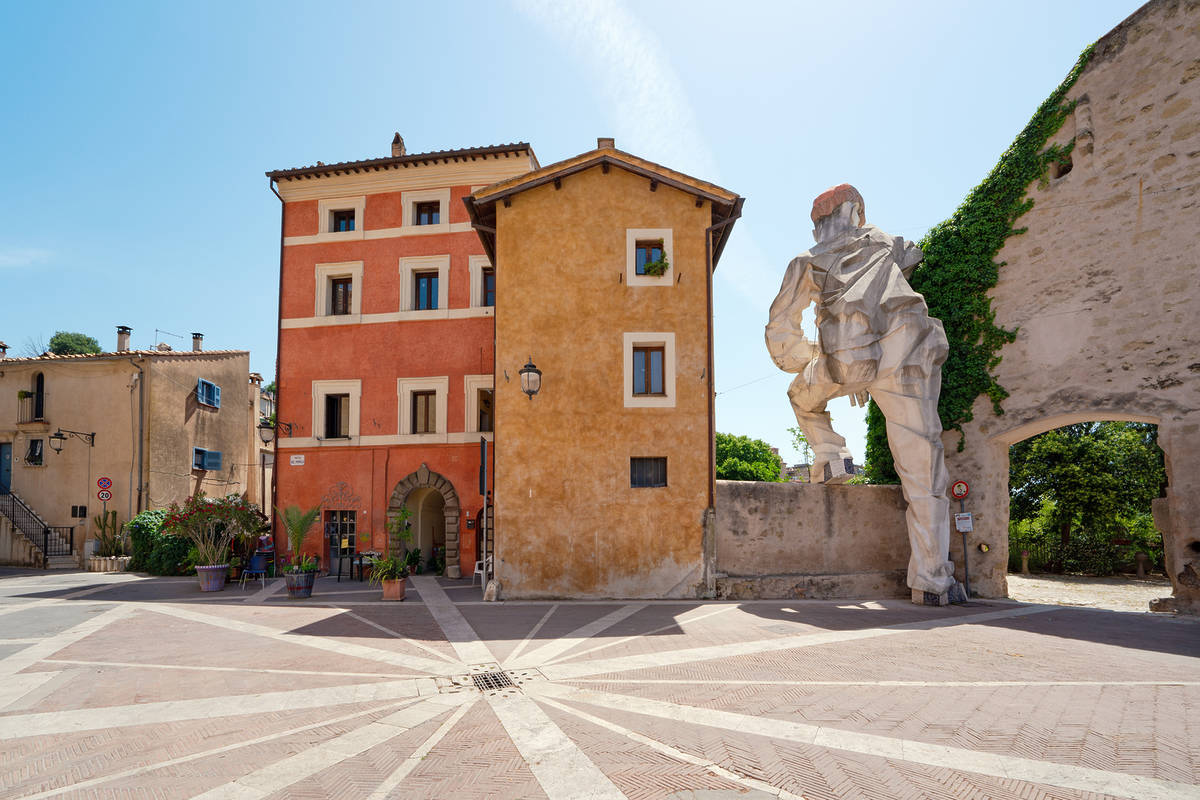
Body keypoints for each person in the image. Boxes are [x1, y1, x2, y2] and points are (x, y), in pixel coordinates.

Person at [765, 183, 956, 597]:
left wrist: (827, 361)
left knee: (800, 396)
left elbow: (780, 340)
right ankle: (933, 578)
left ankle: (833, 454)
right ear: (856, 211)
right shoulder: (890, 245)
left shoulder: (806, 261)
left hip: (845, 361)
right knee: (924, 473)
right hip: (909, 355)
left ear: (819, 224)